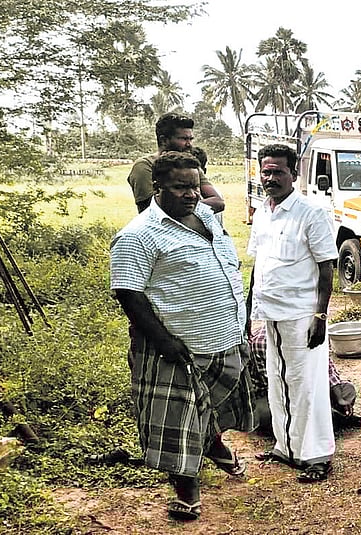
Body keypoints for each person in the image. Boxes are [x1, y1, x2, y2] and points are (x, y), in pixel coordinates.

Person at [109, 151, 255, 521]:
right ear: (156, 186)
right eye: (180, 187)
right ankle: (187, 489)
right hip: (179, 346)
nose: (191, 194)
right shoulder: (138, 235)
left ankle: (213, 445)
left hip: (225, 335)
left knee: (212, 407)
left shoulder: (205, 216)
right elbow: (128, 293)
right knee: (179, 419)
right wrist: (163, 341)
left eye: (194, 186)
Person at [245, 144, 337, 483]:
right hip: (270, 312)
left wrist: (320, 316)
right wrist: (248, 309)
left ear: (294, 174)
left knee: (307, 384)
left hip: (302, 314)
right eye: (266, 172)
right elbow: (259, 264)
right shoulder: (262, 211)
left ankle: (317, 455)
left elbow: (326, 267)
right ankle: (286, 446)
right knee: (278, 379)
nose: (270, 178)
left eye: (278, 172)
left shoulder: (311, 212)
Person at [127, 113, 224, 214]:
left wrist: (187, 207)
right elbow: (149, 210)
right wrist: (194, 208)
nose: (189, 144)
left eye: (191, 139)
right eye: (184, 139)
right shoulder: (144, 166)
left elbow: (218, 202)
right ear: (164, 140)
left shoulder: (189, 165)